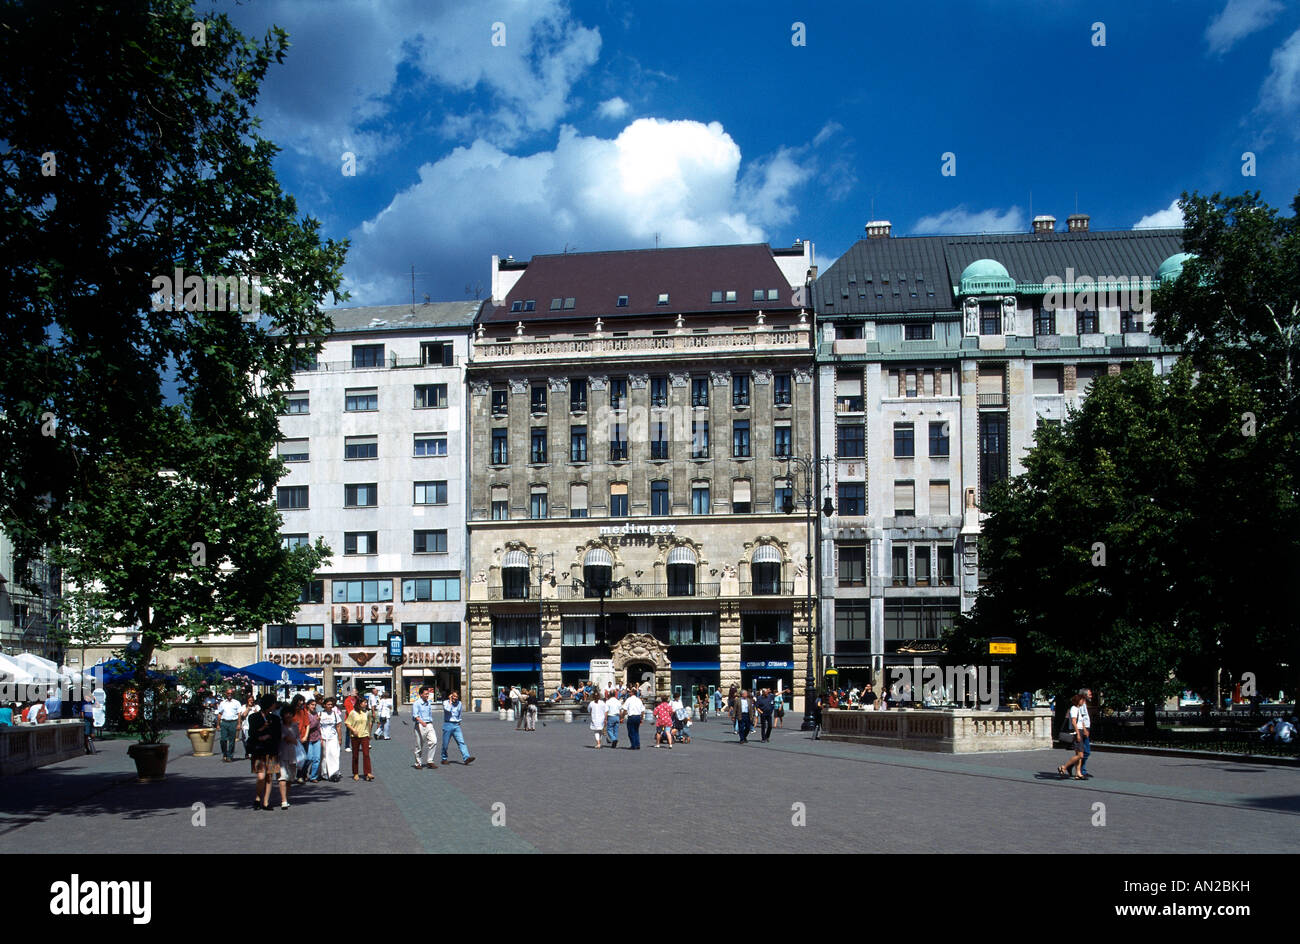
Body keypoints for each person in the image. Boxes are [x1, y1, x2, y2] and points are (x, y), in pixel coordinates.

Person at [247, 694, 281, 810]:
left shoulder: (275, 718)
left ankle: (266, 801)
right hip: (259, 750)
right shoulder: (254, 717)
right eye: (273, 703)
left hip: (271, 750)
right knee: (261, 776)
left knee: (269, 776)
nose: (275, 705)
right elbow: (252, 733)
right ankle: (257, 797)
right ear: (269, 704)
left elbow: (278, 735)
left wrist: (269, 736)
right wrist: (262, 730)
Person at [1057, 693, 1087, 780]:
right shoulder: (1074, 709)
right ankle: (1064, 767)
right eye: (1082, 700)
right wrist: (1078, 733)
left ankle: (1078, 773)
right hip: (1076, 732)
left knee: (1078, 754)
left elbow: (1080, 721)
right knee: (1080, 755)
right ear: (1078, 700)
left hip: (1080, 731)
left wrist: (1084, 730)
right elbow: (1074, 722)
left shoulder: (1078, 709)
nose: (1083, 702)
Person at [441, 690, 475, 764]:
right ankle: (444, 758)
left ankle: (466, 758)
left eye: (456, 696)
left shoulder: (459, 703)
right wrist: (450, 700)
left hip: (456, 725)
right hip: (448, 724)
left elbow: (459, 713)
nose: (455, 698)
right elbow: (448, 710)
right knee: (445, 744)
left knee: (461, 742)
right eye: (453, 696)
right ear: (451, 695)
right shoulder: (446, 702)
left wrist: (459, 721)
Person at [277, 702, 300, 808]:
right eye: (286, 714)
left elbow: (297, 739)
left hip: (293, 754)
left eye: (290, 713)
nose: (288, 716)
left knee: (290, 778)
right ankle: (283, 800)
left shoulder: (295, 726)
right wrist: (290, 739)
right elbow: (284, 737)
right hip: (282, 754)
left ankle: (286, 796)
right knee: (283, 777)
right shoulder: (280, 726)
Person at [346, 696, 373, 781]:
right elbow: (347, 723)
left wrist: (369, 733)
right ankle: (355, 773)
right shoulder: (353, 713)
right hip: (355, 736)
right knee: (355, 755)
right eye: (364, 702)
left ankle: (368, 773)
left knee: (366, 754)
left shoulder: (367, 712)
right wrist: (353, 730)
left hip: (364, 735)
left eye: (366, 702)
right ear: (359, 703)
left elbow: (369, 722)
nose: (365, 704)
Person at [412, 687, 439, 768]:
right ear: (421, 694)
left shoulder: (428, 703)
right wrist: (422, 722)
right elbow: (415, 715)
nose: (428, 695)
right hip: (420, 724)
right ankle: (418, 763)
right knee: (419, 745)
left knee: (434, 741)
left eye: (428, 694)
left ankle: (430, 760)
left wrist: (429, 723)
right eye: (426, 694)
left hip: (429, 724)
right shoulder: (417, 703)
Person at [318, 696, 343, 781]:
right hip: (323, 737)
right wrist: (320, 738)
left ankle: (334, 773)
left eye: (331, 704)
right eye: (328, 704)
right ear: (324, 705)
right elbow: (318, 726)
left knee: (334, 754)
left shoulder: (335, 714)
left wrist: (340, 738)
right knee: (324, 756)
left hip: (333, 737)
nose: (330, 706)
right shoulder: (320, 714)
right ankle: (324, 773)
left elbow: (338, 726)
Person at [302, 698, 322, 782]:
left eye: (315, 705)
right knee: (309, 758)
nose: (314, 706)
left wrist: (321, 737)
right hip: (308, 738)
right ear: (308, 705)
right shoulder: (305, 715)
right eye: (312, 705)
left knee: (317, 758)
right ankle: (303, 772)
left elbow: (318, 727)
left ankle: (313, 776)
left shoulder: (316, 714)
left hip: (316, 738)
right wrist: (317, 721)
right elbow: (309, 726)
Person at [1077, 688, 1093, 778]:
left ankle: (1080, 769)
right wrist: (1085, 730)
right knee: (1086, 751)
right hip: (1083, 729)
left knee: (1083, 751)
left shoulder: (1084, 703)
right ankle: (1079, 769)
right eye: (1090, 694)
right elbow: (1081, 718)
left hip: (1085, 728)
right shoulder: (1081, 704)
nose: (1091, 696)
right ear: (1084, 695)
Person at [239, 693, 257, 760]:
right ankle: (247, 752)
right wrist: (248, 709)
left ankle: (251, 753)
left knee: (253, 741)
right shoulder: (243, 707)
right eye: (249, 700)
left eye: (252, 700)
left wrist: (255, 711)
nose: (251, 702)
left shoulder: (256, 707)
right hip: (246, 726)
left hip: (254, 727)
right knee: (246, 740)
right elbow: (243, 716)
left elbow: (259, 716)